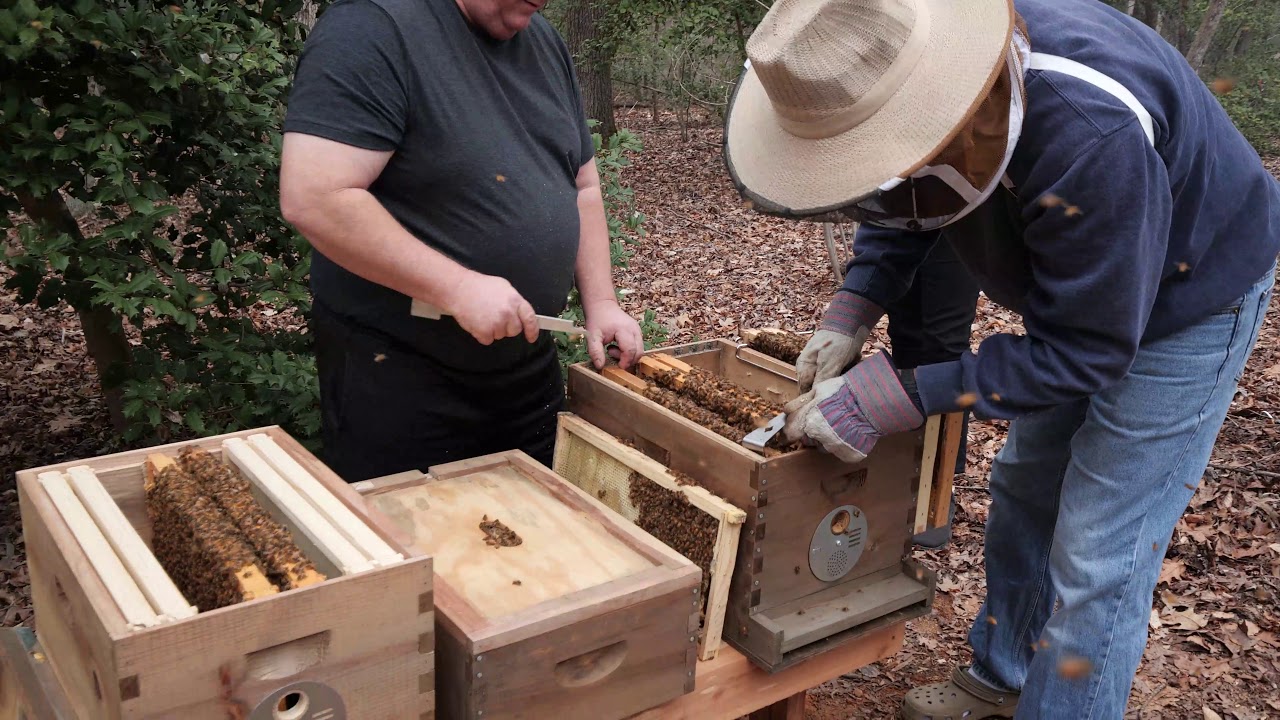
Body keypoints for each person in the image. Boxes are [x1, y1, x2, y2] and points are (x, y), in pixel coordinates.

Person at [724, 0, 1279, 717]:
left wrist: (898, 397)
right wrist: (856, 304)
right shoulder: (913, 82)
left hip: (1192, 293)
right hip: (1089, 296)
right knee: (1023, 489)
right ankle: (1003, 677)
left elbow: (1087, 351)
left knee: (1098, 554)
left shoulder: (1090, 132)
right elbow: (902, 196)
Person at [278, 0, 643, 482]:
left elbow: (583, 186)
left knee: (546, 538)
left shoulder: (545, 43)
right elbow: (315, 196)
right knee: (425, 548)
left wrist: (602, 303)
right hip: (401, 378)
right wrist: (456, 286)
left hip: (528, 369)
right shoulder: (371, 29)